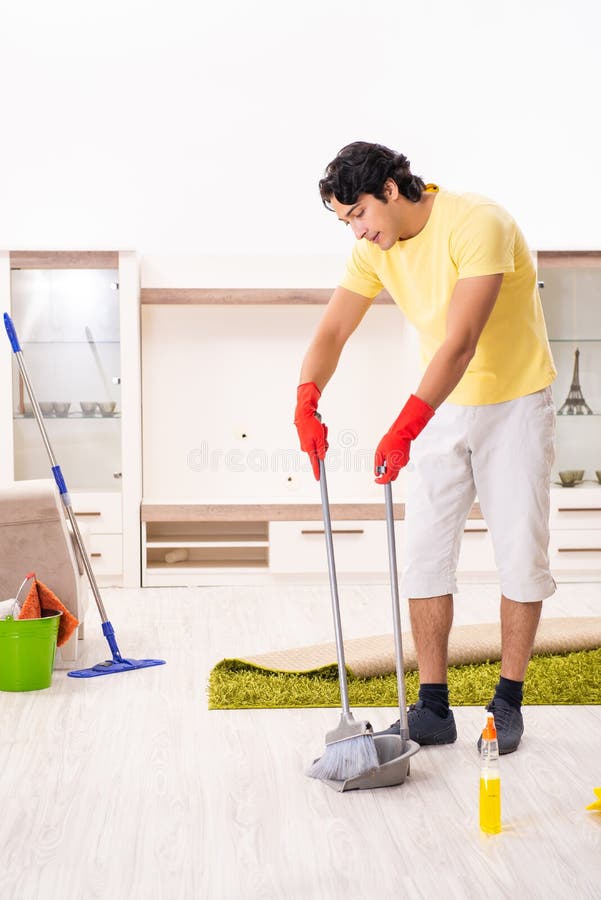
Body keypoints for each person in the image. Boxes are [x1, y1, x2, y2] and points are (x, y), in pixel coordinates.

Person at [294, 141, 557, 754]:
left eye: (357, 214)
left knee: (520, 556)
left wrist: (406, 423)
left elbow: (461, 341)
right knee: (426, 557)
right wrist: (306, 396)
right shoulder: (374, 251)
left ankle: (507, 703)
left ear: (389, 188)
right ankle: (433, 707)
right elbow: (333, 329)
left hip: (515, 404)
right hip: (442, 408)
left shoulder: (477, 223)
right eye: (345, 222)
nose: (357, 232)